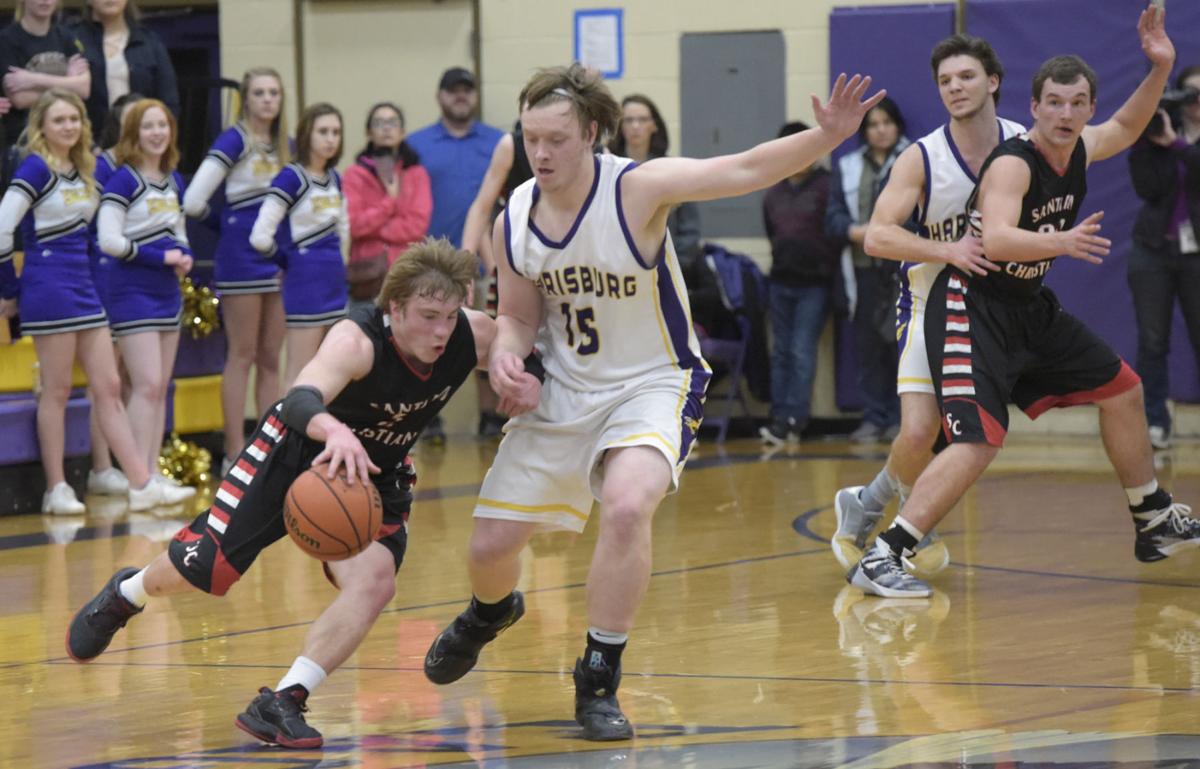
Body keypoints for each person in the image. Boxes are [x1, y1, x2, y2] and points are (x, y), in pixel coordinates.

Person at [422, 62, 883, 740]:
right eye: (530, 139)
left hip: (652, 380)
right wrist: (504, 357)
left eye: (556, 139)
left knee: (630, 501)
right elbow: (518, 317)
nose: (541, 153)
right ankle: (490, 612)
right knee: (490, 545)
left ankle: (599, 675)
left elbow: (745, 168)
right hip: (569, 388)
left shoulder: (636, 188)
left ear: (593, 133)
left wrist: (825, 135)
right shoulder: (514, 215)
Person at [64, 237, 542, 749]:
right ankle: (126, 594)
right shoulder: (356, 340)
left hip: (371, 473)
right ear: (396, 307)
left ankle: (284, 700)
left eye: (450, 316)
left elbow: (527, 358)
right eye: (428, 316)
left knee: (376, 582)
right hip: (293, 450)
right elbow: (299, 397)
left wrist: (526, 382)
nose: (442, 331)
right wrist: (334, 431)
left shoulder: (472, 335)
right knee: (205, 570)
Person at [847, 3, 1200, 599]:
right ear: (1033, 108)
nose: (1065, 114)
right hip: (965, 306)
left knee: (1124, 389)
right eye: (1054, 103)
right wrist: (1058, 239)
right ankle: (886, 551)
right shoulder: (1005, 161)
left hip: (1026, 304)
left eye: (1077, 104)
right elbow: (998, 235)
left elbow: (1126, 128)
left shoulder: (1071, 144)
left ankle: (1152, 516)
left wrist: (1159, 69)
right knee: (965, 438)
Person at [830, 34, 1025, 576]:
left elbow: (1110, 135)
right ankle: (881, 512)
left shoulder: (1023, 144)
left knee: (954, 435)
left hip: (994, 309)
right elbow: (876, 237)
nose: (955, 87)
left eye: (965, 76)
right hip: (927, 300)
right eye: (944, 80)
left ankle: (872, 505)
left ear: (993, 81)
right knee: (920, 432)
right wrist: (948, 249)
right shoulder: (922, 156)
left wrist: (1157, 73)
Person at [0, 89, 192, 514]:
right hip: (47, 284)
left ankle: (140, 483)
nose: (68, 126)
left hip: (86, 286)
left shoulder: (84, 169)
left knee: (107, 387)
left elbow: (94, 239)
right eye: (59, 120)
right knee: (58, 389)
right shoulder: (34, 168)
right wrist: (9, 291)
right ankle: (57, 487)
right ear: (41, 128)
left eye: (74, 119)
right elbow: (1, 227)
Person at [182, 67, 288, 473]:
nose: (267, 99)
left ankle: (267, 450)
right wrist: (226, 224)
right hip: (240, 259)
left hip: (277, 257)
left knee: (270, 358)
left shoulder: (285, 144)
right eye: (259, 92)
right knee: (241, 354)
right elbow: (192, 201)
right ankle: (233, 451)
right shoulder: (234, 140)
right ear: (245, 99)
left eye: (273, 92)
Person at [96, 97, 195, 492]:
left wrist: (184, 255)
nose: (157, 133)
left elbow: (180, 231)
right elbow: (108, 239)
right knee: (146, 383)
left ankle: (151, 474)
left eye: (163, 125)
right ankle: (139, 481)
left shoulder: (173, 179)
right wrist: (159, 256)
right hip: (131, 289)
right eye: (148, 126)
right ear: (133, 133)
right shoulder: (123, 179)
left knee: (158, 388)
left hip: (166, 291)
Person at [407, 66, 503, 444]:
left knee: (490, 339)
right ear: (439, 96)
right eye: (452, 90)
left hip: (490, 263)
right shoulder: (416, 145)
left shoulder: (499, 143)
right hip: (433, 267)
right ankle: (428, 420)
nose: (460, 96)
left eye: (466, 89)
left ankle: (491, 417)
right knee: (427, 342)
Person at [827, 97, 910, 444]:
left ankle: (904, 421)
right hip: (861, 270)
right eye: (873, 124)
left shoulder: (914, 158)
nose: (881, 130)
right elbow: (832, 217)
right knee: (868, 346)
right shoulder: (846, 165)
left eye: (886, 122)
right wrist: (855, 231)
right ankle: (874, 417)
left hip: (902, 269)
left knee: (901, 346)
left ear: (897, 125)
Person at [1127, 64, 1200, 450]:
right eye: (1190, 93)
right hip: (1152, 250)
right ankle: (1156, 420)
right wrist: (1146, 138)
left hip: (1196, 256)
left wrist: (1179, 145)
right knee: (1152, 341)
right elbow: (1146, 188)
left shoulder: (1178, 141)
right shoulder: (1158, 129)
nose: (1196, 103)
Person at [251, 102, 350, 387]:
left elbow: (344, 230)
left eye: (336, 132)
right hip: (304, 279)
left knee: (331, 367)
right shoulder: (291, 177)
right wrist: (288, 261)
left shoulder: (334, 178)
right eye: (323, 132)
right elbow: (260, 236)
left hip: (333, 278)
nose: (331, 138)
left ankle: (321, 430)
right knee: (300, 368)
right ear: (306, 135)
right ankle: (287, 431)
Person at [757, 120, 842, 445]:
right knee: (780, 351)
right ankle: (778, 418)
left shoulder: (827, 185)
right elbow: (772, 232)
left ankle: (795, 419)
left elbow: (834, 234)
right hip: (780, 282)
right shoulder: (773, 191)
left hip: (816, 284)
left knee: (801, 350)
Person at [85, 89, 142, 497]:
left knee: (125, 376)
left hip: (135, 276)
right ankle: (102, 466)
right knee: (106, 376)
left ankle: (133, 464)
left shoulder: (146, 167)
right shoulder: (100, 165)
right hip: (101, 273)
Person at [343, 101, 431, 312]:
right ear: (368, 132)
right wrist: (389, 204)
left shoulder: (416, 173)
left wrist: (376, 229)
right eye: (379, 123)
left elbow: (417, 226)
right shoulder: (354, 174)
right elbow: (354, 225)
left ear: (402, 132)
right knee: (364, 338)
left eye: (392, 122)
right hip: (367, 276)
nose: (386, 128)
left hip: (408, 274)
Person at [608, 94, 702, 267]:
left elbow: (690, 229)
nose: (635, 126)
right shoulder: (609, 170)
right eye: (629, 120)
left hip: (666, 266)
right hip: (618, 268)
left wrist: (673, 265)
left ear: (654, 126)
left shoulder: (672, 170)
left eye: (642, 120)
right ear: (620, 126)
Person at [70, 0, 179, 133]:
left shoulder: (149, 41)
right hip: (86, 141)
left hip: (140, 140)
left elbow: (169, 101)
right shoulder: (70, 38)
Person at [0, 0, 85, 158]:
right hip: (23, 140)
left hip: (65, 141)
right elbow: (19, 98)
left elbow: (84, 89)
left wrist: (33, 79)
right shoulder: (6, 40)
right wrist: (68, 82)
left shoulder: (66, 36)